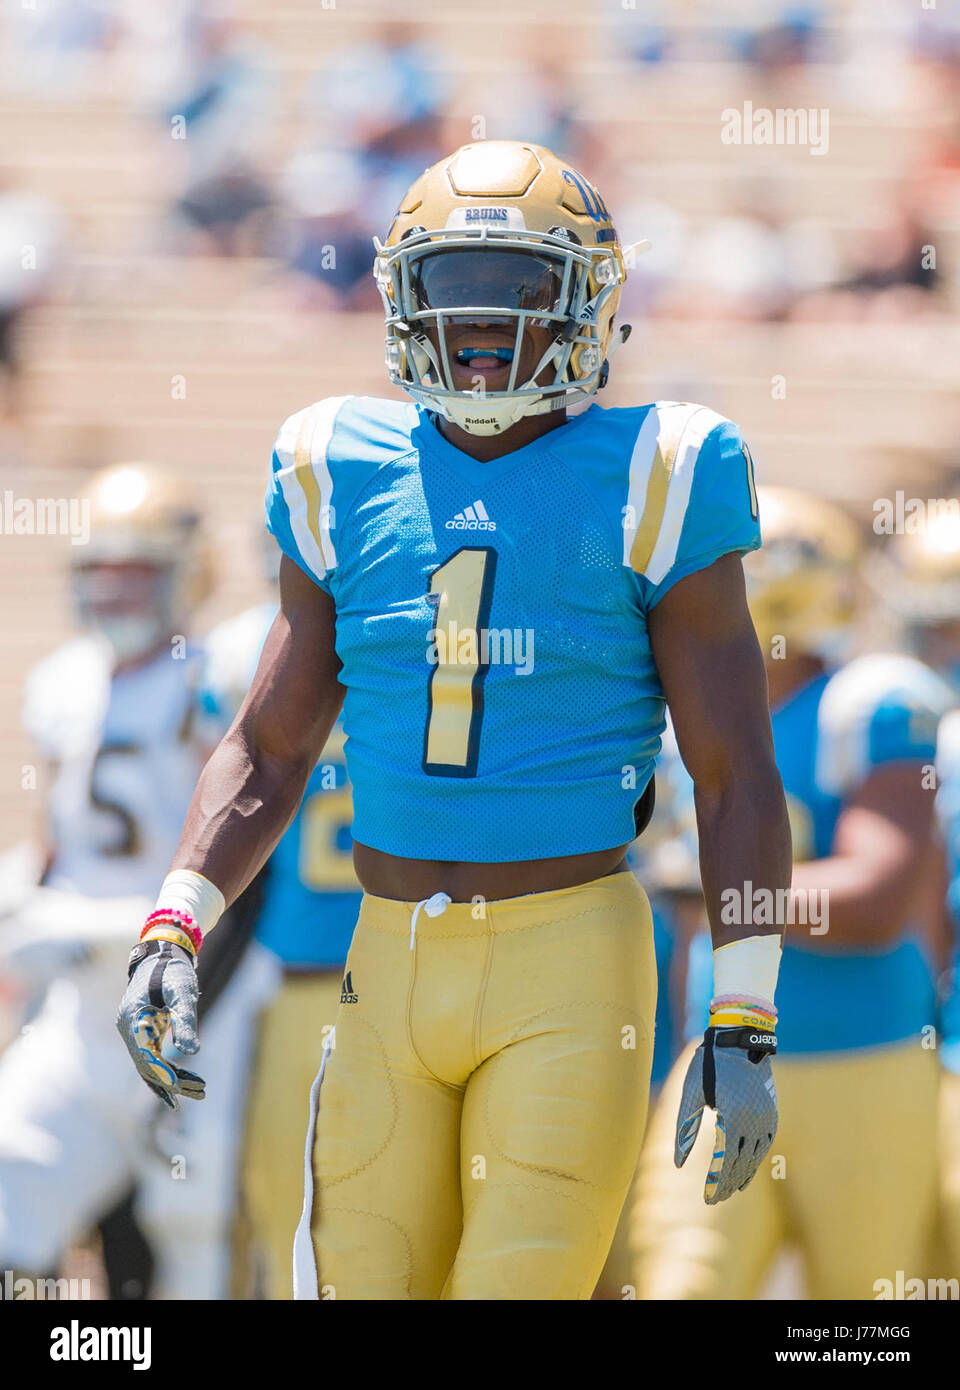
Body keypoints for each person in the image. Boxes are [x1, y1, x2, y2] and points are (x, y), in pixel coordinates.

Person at [117, 140, 791, 1301]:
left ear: (588, 297)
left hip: (570, 958)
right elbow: (270, 748)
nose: (480, 320)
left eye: (519, 284)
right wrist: (175, 921)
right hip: (385, 958)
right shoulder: (339, 459)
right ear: (399, 295)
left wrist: (746, 1009)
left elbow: (733, 774)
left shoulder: (659, 467)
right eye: (450, 284)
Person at [632, 486, 951, 1299]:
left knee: (863, 1318)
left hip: (863, 1064)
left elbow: (874, 898)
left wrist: (726, 896)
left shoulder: (870, 703)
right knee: (679, 1283)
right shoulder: (683, 722)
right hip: (721, 1057)